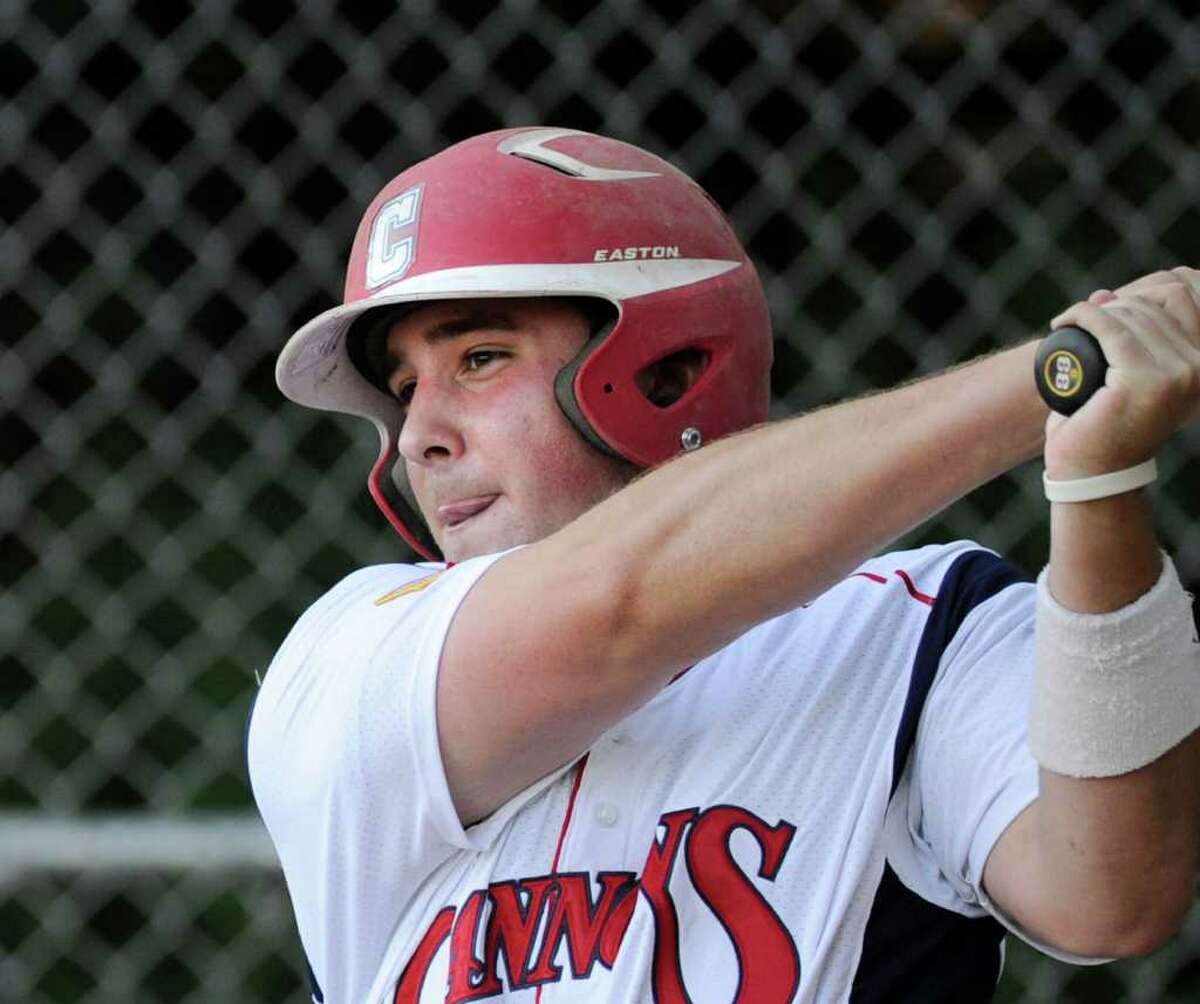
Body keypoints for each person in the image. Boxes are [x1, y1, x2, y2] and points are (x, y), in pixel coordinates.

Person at [247, 127, 1200, 1003]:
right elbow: (611, 605)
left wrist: (1098, 478)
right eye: (405, 387)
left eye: (481, 358)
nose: (420, 434)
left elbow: (1108, 898)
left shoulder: (918, 627)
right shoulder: (347, 654)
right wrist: (1056, 375)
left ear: (668, 370)